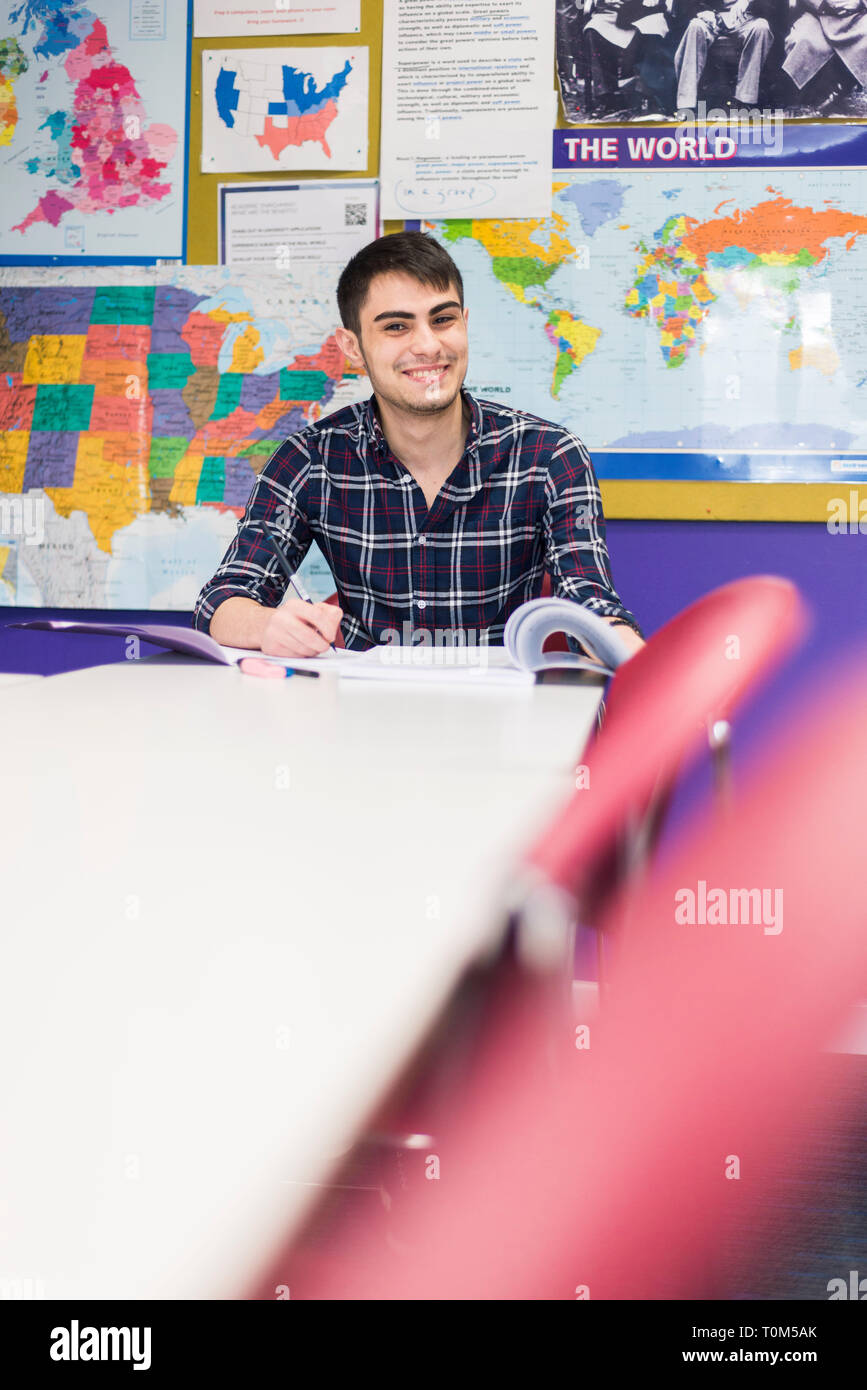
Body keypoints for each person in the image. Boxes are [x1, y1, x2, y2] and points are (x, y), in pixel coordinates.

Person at [192, 232, 643, 660]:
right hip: (362, 717)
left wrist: (637, 662)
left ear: (464, 324)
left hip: (501, 717)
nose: (428, 345)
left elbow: (591, 604)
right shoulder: (308, 459)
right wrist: (267, 625)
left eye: (443, 319)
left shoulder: (550, 455)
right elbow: (222, 601)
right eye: (395, 326)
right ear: (352, 346)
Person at [583, 0, 678, 116]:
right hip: (612, 14)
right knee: (593, 30)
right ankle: (606, 96)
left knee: (654, 30)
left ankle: (646, 95)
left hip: (648, 13)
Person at [674, 0, 775, 109]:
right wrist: (701, 11)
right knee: (695, 26)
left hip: (746, 18)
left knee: (761, 27)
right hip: (710, 17)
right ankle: (686, 104)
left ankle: (745, 101)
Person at [782, 0, 867, 97]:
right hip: (817, 15)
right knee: (806, 42)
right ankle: (810, 90)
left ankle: (844, 85)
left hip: (854, 15)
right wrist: (825, 5)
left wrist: (857, 3)